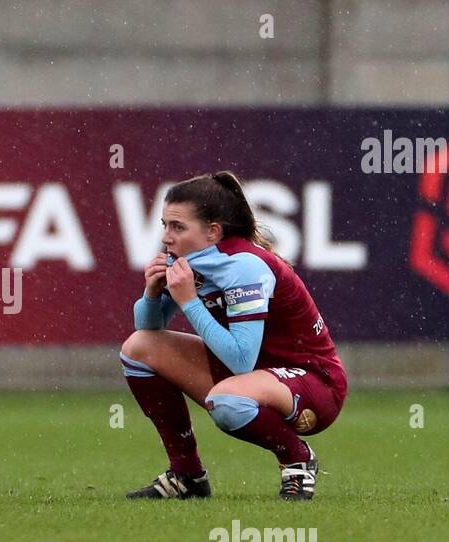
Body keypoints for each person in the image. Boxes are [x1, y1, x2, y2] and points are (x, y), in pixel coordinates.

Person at [119, 171, 348, 501]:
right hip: (251, 376)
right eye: (164, 225)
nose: (166, 237)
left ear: (212, 232)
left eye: (178, 227)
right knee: (138, 348)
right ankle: (187, 476)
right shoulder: (187, 260)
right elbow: (148, 327)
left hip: (313, 384)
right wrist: (152, 293)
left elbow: (242, 361)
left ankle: (297, 459)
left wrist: (188, 301)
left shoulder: (244, 265)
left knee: (227, 401)